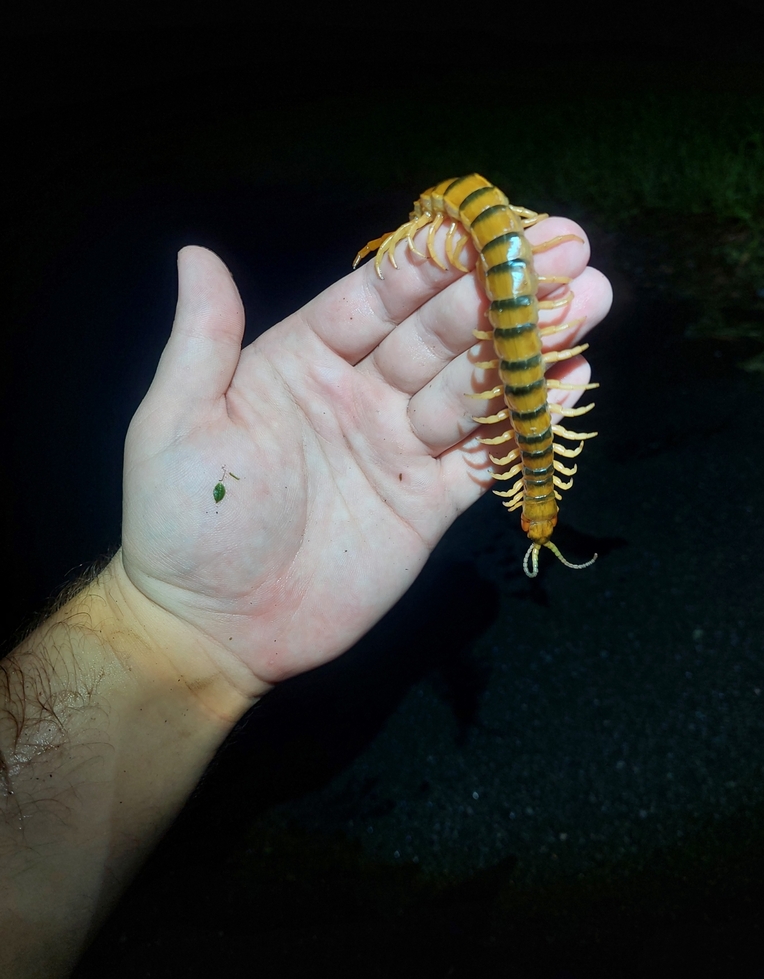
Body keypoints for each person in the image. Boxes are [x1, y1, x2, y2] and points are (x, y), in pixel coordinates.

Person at [0, 217, 612, 978]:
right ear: (532, 501)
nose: (533, 520)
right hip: (470, 226)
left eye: (534, 517)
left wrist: (165, 627)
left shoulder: (525, 452)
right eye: (534, 517)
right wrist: (160, 625)